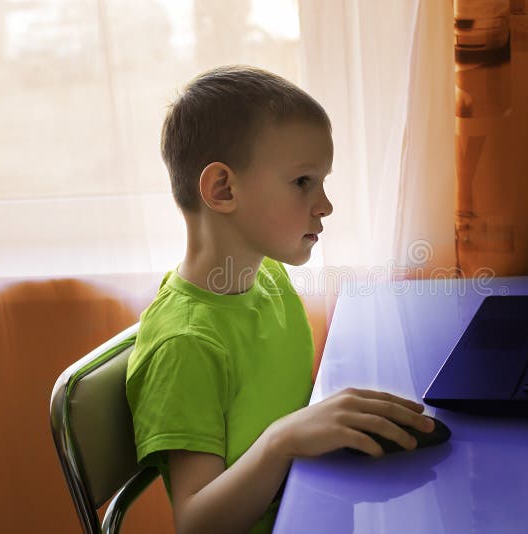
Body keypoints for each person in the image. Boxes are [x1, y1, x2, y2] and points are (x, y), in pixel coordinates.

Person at [125, 65, 436, 534]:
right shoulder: (186, 344)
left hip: (320, 501)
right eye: (303, 182)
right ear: (223, 189)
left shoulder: (268, 278)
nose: (325, 205)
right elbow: (196, 523)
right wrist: (282, 441)